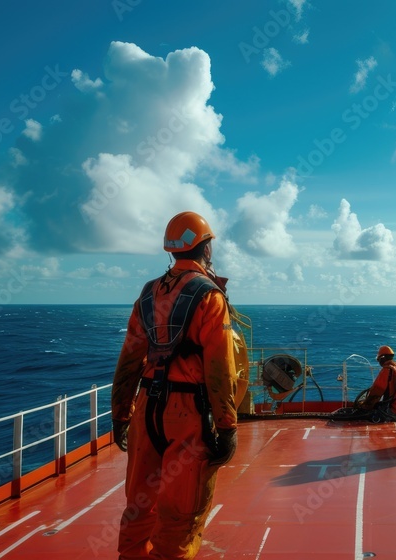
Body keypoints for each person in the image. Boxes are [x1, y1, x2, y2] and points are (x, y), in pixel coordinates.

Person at [111, 211, 246, 559]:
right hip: (187, 415)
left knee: (139, 507)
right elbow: (219, 368)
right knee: (181, 514)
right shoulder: (209, 295)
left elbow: (128, 361)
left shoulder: (148, 293)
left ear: (172, 251)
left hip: (146, 409)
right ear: (206, 248)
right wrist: (228, 426)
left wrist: (120, 415)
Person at [359, 345, 396, 416]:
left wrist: (365, 406)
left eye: (379, 359)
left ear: (382, 358)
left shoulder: (387, 370)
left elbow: (376, 392)